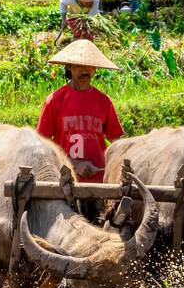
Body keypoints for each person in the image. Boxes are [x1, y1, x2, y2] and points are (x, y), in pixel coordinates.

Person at [37, 39, 123, 221]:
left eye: (90, 66)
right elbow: (42, 146)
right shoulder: (55, 100)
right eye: (78, 66)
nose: (85, 70)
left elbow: (119, 142)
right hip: (66, 184)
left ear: (95, 69)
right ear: (69, 67)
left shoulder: (103, 101)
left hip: (100, 183)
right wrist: (74, 165)